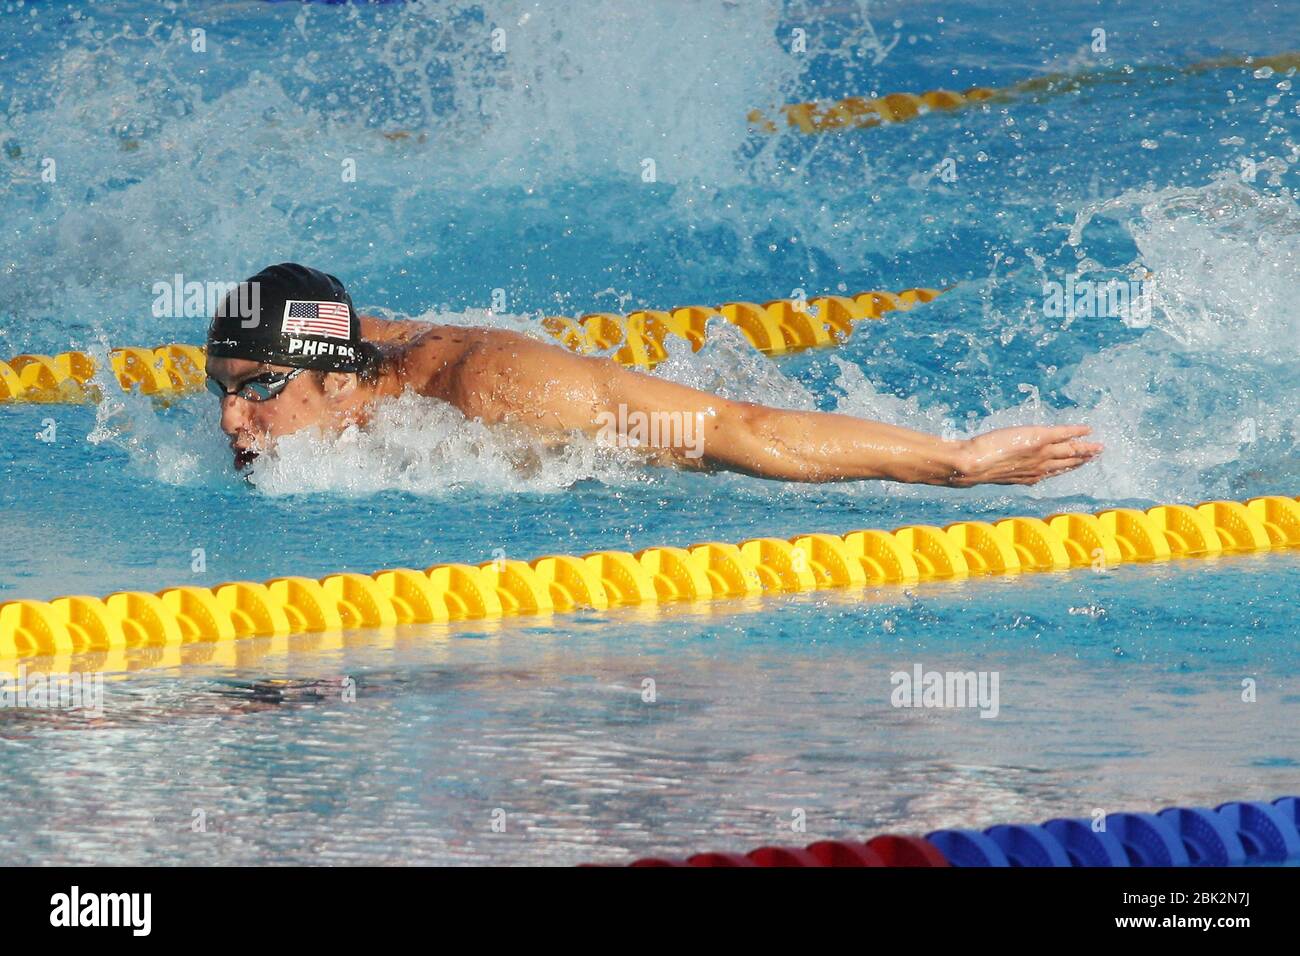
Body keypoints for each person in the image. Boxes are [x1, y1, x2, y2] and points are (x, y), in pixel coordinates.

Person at [206, 263, 1102, 484]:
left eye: (256, 392)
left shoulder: (497, 395)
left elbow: (735, 429)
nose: (229, 422)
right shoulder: (337, 366)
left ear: (333, 379)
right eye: (223, 391)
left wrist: (954, 461)